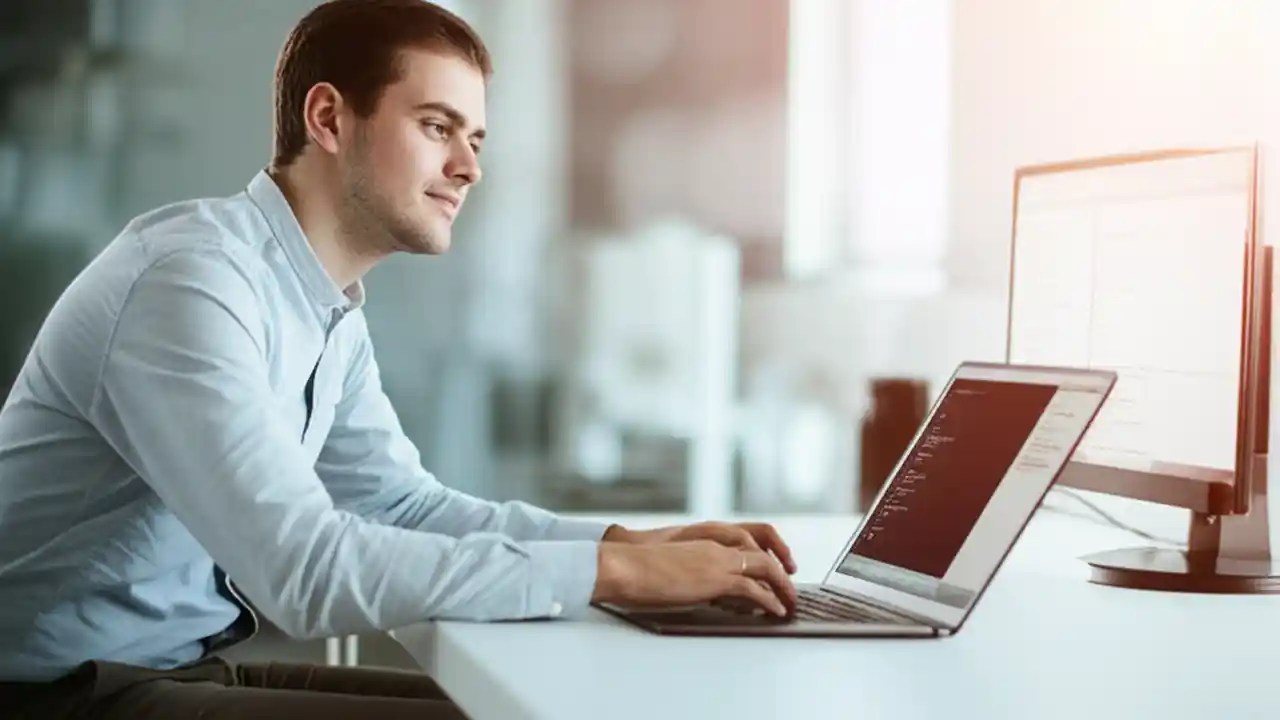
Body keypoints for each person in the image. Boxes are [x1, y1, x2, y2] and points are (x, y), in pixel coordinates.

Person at [0, 1, 798, 718]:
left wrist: (625, 545)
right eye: (437, 126)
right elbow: (305, 573)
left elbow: (402, 508)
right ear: (328, 118)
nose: (469, 167)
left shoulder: (326, 307)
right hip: (57, 693)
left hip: (170, 669)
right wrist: (617, 580)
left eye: (475, 138)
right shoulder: (192, 283)